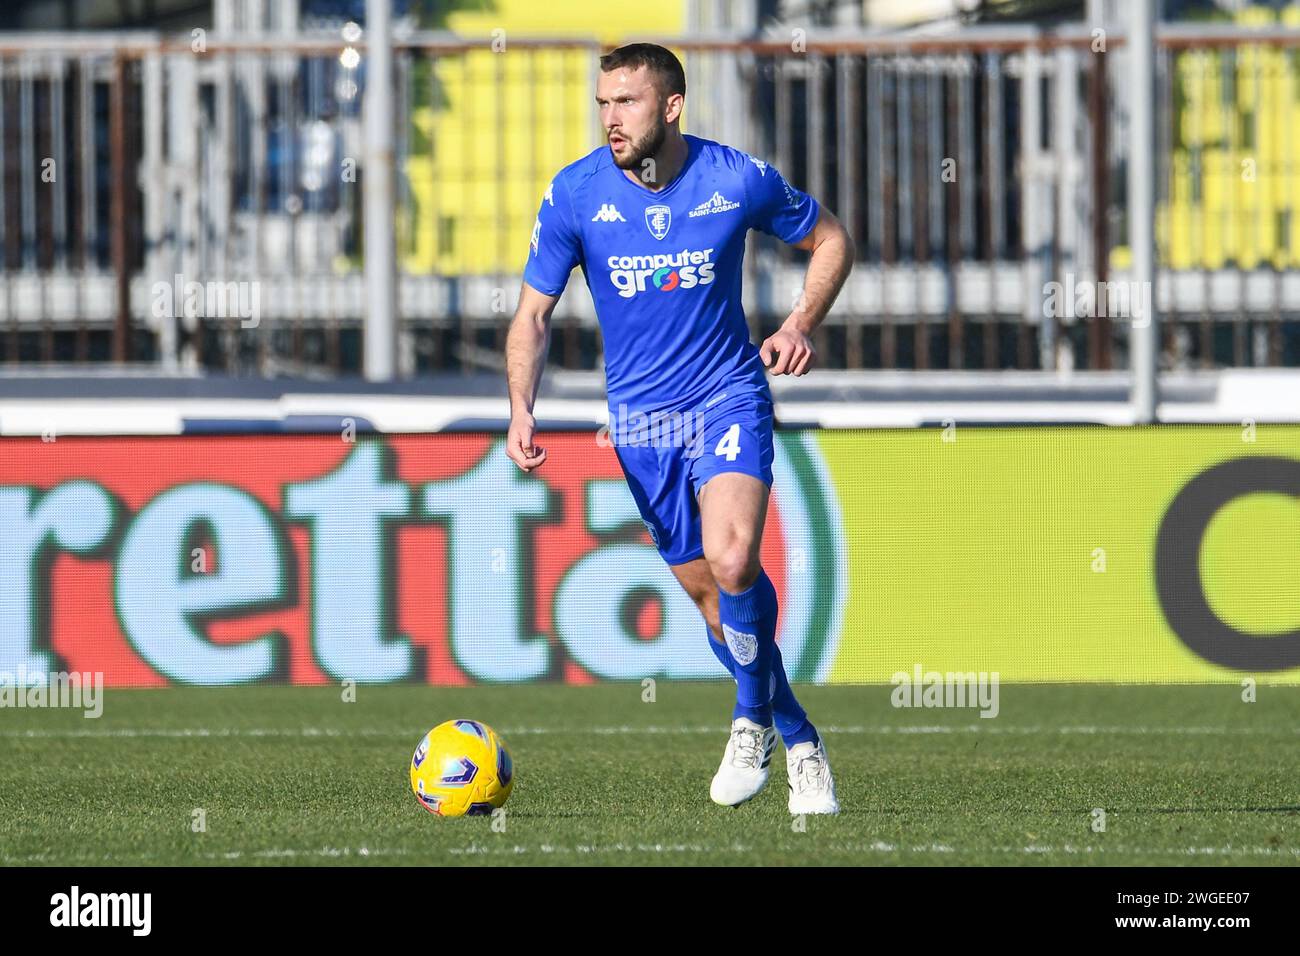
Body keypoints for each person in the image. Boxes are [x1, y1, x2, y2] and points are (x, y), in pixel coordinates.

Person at [505, 43, 854, 813]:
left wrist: (800, 321)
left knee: (734, 563)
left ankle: (746, 719)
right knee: (713, 605)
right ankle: (797, 738)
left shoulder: (735, 179)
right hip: (641, 426)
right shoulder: (574, 195)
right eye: (602, 103)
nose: (610, 119)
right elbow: (533, 315)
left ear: (670, 106)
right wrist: (520, 405)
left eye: (626, 102)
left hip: (729, 396)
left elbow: (830, 239)